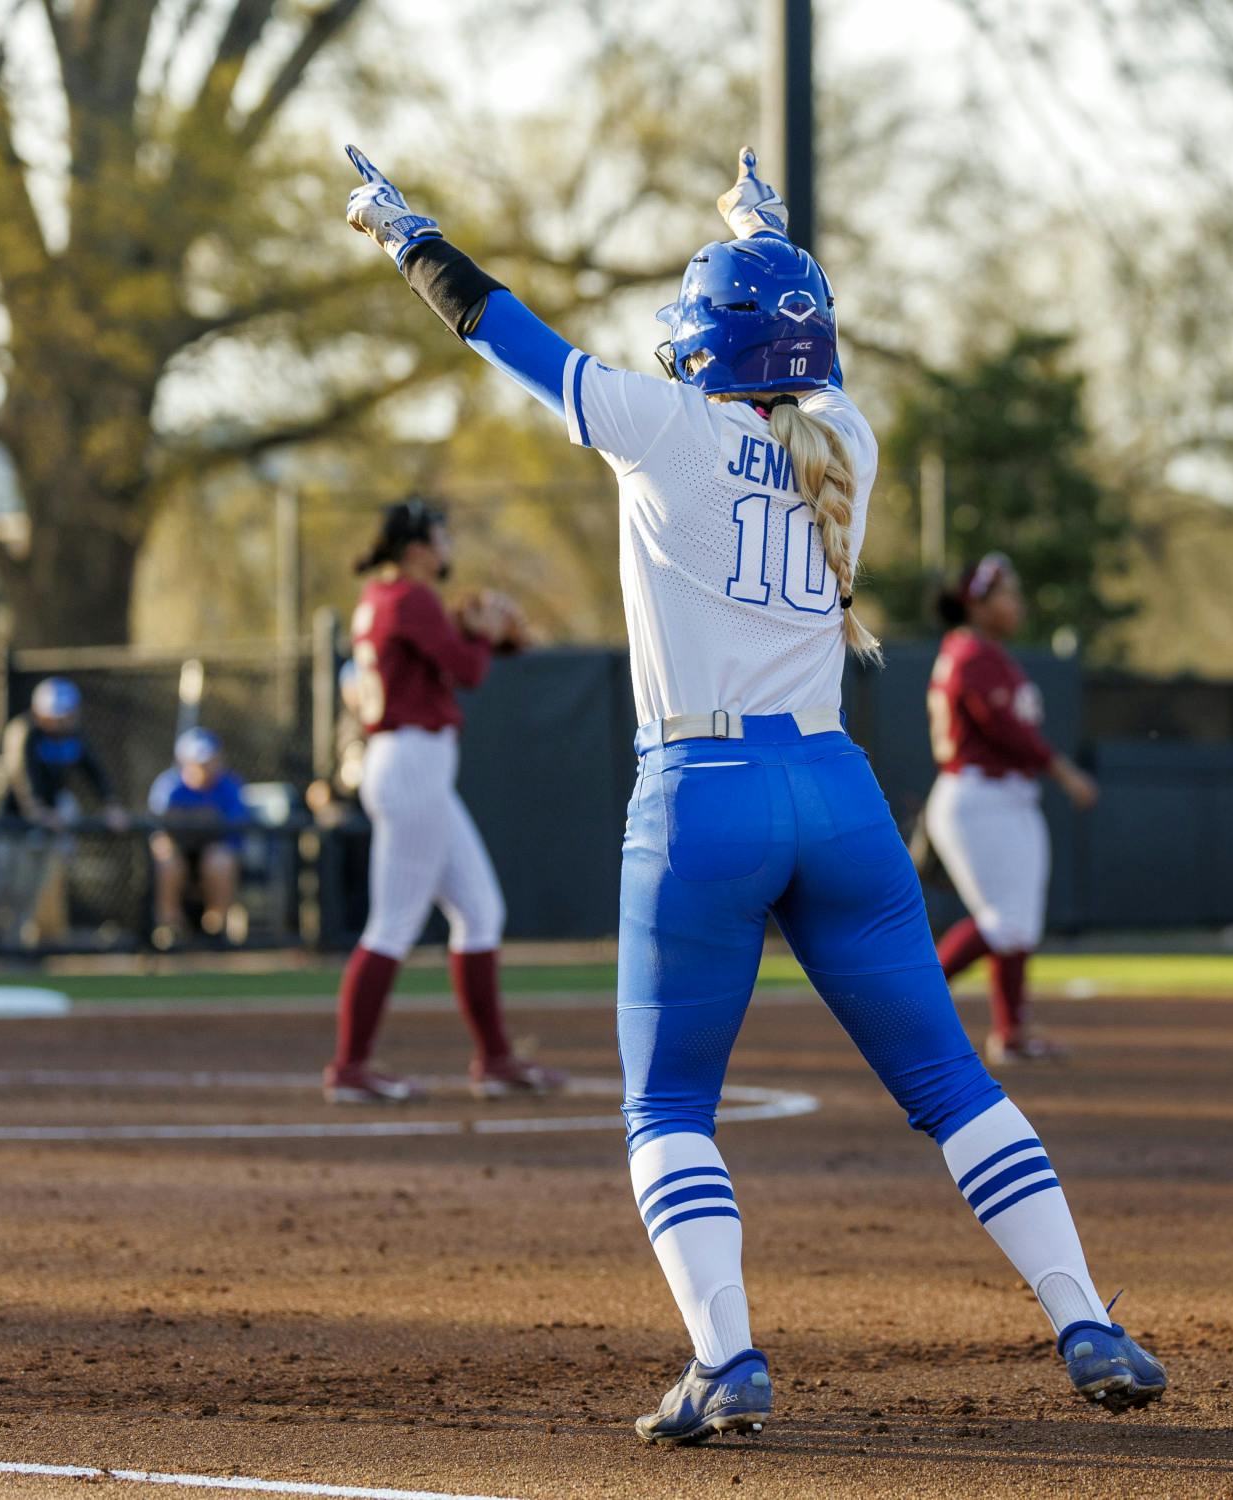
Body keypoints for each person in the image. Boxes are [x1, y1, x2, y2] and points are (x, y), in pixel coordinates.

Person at [345, 144, 1166, 1443]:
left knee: (668, 1106)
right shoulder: (850, 437)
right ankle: (1085, 1321)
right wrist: (766, 235)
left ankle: (727, 1358)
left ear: (698, 346)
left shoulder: (660, 424)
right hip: (834, 789)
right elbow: (798, 373)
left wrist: (407, 237)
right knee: (954, 1084)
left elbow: (501, 329)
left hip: (701, 792)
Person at [323, 496, 568, 1105]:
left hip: (413, 764)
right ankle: (350, 1067)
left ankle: (496, 1060)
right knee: (394, 923)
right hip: (410, 763)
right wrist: (483, 637)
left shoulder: (384, 598)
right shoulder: (408, 595)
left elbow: (435, 657)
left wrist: (476, 637)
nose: (446, 547)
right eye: (438, 537)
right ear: (415, 549)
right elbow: (468, 670)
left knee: (481, 911)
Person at [925, 554, 1100, 1063]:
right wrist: (1064, 771)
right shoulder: (974, 653)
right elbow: (1006, 730)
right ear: (977, 603)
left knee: (1017, 921)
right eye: (1007, 593)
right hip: (982, 796)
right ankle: (911, 1010)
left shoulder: (983, 651)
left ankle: (1012, 1034)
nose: (1016, 603)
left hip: (1000, 796)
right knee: (1004, 921)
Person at [0, 677, 129, 946]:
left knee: (31, 886)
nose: (61, 722)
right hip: (13, 821)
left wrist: (111, 804)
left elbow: (95, 772)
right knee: (3, 885)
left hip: (48, 821)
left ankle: (14, 944)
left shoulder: (74, 736)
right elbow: (22, 775)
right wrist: (36, 809)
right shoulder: (24, 731)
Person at [147, 727, 251, 947]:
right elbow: (159, 829)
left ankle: (216, 926)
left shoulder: (228, 785)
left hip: (215, 852)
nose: (203, 768)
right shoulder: (169, 785)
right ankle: (170, 926)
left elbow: (236, 827)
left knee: (219, 859)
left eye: (208, 761)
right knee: (167, 857)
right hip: (181, 852)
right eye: (196, 762)